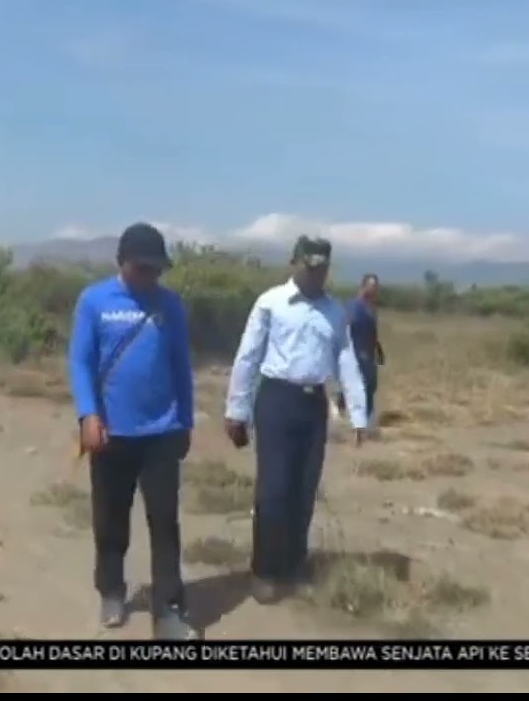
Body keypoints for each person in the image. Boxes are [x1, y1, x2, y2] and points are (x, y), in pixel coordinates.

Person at [67, 222, 197, 641]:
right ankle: (111, 590)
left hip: (161, 431)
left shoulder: (170, 305)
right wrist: (88, 414)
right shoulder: (95, 301)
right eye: (143, 268)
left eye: (157, 269)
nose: (150, 277)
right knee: (110, 518)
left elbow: (181, 366)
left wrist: (186, 422)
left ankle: (169, 611)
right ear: (123, 262)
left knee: (164, 522)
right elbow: (81, 362)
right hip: (110, 433)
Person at [223, 236, 369, 605]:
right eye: (310, 266)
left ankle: (293, 563)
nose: (316, 273)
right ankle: (265, 570)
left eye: (322, 267)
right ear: (295, 262)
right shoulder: (271, 303)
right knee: (274, 490)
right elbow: (247, 357)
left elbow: (347, 360)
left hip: (312, 405)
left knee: (303, 489)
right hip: (276, 399)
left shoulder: (335, 311)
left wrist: (359, 412)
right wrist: (236, 411)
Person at [335, 273, 385, 424]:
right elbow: (345, 326)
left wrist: (378, 349)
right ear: (363, 286)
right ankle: (362, 418)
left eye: (376, 286)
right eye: (371, 285)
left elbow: (373, 332)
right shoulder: (353, 305)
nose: (374, 289)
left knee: (370, 384)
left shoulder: (372, 308)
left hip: (368, 351)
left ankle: (358, 414)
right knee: (365, 383)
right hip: (355, 350)